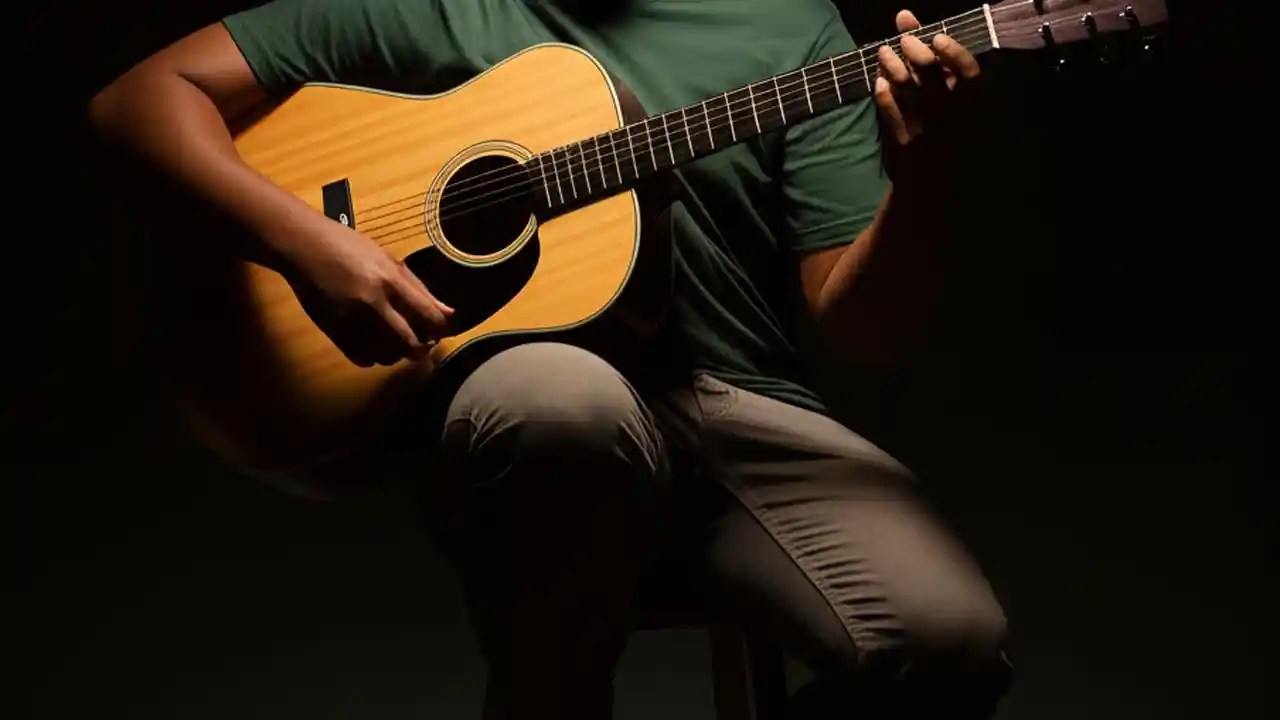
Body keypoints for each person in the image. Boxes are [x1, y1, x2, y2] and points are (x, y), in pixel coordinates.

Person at [90, 1, 1012, 717]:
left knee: (949, 644)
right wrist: (306, 243)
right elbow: (134, 102)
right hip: (537, 411)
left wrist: (923, 179)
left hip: (738, 417)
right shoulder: (426, 6)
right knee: (561, 401)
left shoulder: (784, 24)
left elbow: (866, 333)